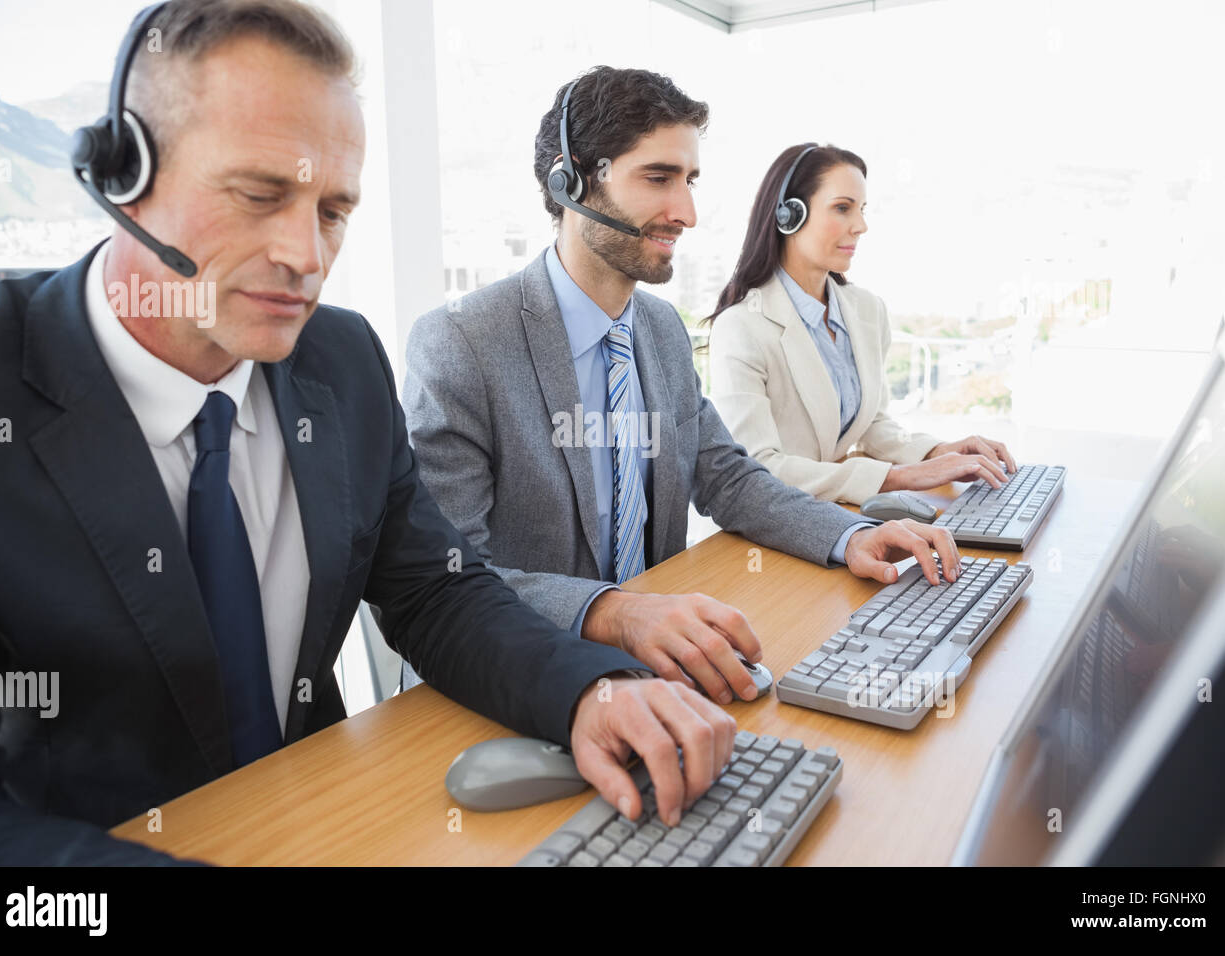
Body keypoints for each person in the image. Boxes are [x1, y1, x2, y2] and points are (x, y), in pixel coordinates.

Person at [0, 1, 735, 865]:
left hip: (333, 824)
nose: (305, 254)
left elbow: (434, 591)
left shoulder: (341, 359)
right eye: (260, 195)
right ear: (123, 171)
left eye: (333, 210)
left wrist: (587, 693)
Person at [403, 68, 962, 708]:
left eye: (690, 181)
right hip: (522, 676)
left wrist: (846, 535)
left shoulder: (662, 329)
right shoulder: (464, 343)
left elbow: (727, 476)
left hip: (659, 669)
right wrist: (614, 614)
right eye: (658, 178)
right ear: (572, 179)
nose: (687, 214)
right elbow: (451, 577)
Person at [705, 142, 1016, 505]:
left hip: (839, 512)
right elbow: (757, 467)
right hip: (777, 521)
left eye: (862, 210)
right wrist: (900, 477)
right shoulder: (742, 327)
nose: (861, 226)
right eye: (842, 208)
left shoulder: (866, 311)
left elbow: (869, 423)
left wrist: (937, 452)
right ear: (789, 215)